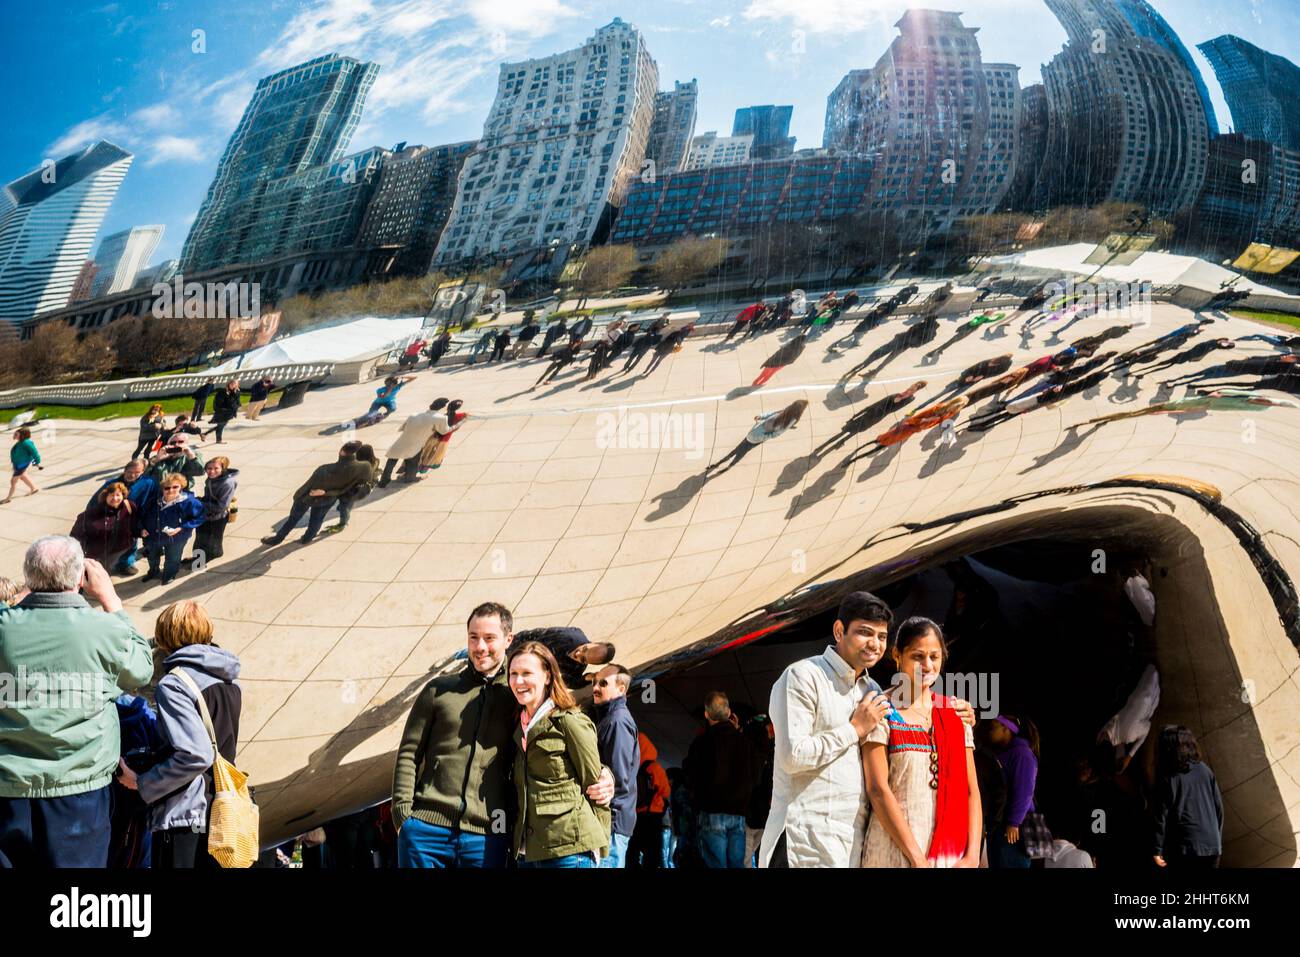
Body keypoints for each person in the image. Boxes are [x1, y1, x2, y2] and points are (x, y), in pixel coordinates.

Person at [761, 593, 976, 868]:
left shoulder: (872, 691)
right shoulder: (803, 676)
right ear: (839, 631)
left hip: (851, 846)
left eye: (882, 636)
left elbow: (913, 704)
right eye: (865, 633)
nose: (874, 644)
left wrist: (960, 714)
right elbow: (793, 757)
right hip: (803, 841)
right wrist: (854, 729)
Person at [0, 536, 153, 867]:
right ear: (81, 578)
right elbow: (140, 670)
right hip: (79, 792)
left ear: (28, 578)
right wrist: (111, 599)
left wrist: (29, 596)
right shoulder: (104, 630)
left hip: (8, 787)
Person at [114, 600, 242, 869]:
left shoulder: (174, 684)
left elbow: (196, 755)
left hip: (184, 814)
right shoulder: (227, 681)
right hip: (220, 812)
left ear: (165, 636)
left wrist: (143, 782)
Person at [861, 617, 981, 868]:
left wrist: (971, 857)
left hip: (950, 857)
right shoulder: (880, 711)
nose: (927, 665)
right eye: (917, 656)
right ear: (897, 655)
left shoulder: (955, 714)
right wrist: (917, 859)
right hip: (893, 852)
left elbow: (971, 791)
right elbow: (877, 789)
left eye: (934, 657)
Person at [508, 640, 611, 868]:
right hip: (529, 851)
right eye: (513, 673)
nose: (518, 681)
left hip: (570, 851)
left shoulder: (570, 721)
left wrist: (601, 846)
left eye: (527, 673)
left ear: (547, 676)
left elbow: (595, 786)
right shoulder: (519, 728)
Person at [685, 692, 753, 868]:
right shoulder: (744, 742)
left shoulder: (701, 742)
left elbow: (689, 776)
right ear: (729, 712)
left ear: (706, 714)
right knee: (737, 865)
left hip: (711, 812)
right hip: (738, 813)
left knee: (715, 865)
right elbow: (754, 774)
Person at [261, 441, 375, 546]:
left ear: (341, 452)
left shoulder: (325, 469)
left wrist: (298, 497)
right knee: (317, 519)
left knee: (293, 519)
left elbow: (307, 487)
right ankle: (307, 538)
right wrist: (328, 493)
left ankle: (278, 539)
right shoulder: (365, 467)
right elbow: (349, 487)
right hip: (329, 499)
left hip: (308, 498)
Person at [1152, 726, 1223, 869]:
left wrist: (1157, 849)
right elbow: (1219, 809)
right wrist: (1216, 840)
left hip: (1186, 848)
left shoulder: (1169, 777)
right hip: (1212, 846)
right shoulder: (1205, 770)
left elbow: (1161, 817)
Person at [591, 665, 639, 868]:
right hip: (612, 821)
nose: (595, 687)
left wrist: (606, 819)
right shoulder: (610, 718)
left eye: (603, 683)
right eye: (594, 681)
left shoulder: (616, 721)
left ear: (621, 689)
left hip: (611, 823)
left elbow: (617, 777)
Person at [812, 383, 927, 460]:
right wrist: (858, 414)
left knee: (850, 435)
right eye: (909, 388)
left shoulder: (908, 399)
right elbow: (875, 404)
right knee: (843, 432)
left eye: (912, 390)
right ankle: (823, 447)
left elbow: (892, 409)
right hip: (869, 414)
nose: (908, 390)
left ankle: (828, 450)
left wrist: (900, 400)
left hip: (873, 419)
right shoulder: (895, 395)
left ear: (915, 392)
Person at [984, 714, 1039, 869]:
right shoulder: (1004, 754)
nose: (989, 731)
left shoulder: (1022, 754)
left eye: (993, 727)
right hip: (999, 824)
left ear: (1006, 729)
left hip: (1012, 828)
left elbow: (1024, 790)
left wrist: (1014, 822)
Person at [89, 459, 158, 575]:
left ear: (142, 472)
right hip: (112, 521)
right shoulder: (111, 484)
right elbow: (95, 502)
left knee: (131, 544)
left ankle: (125, 564)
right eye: (129, 472)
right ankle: (101, 568)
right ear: (124, 470)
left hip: (133, 521)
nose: (132, 475)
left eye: (137, 473)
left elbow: (153, 500)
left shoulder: (148, 483)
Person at [705, 400, 808, 476]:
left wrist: (762, 435)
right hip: (755, 433)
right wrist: (761, 417)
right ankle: (723, 464)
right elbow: (772, 416)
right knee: (737, 451)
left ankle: (725, 465)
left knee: (739, 452)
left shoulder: (790, 418)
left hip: (756, 435)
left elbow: (777, 432)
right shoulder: (787, 413)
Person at [140, 473, 205, 584]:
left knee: (173, 558)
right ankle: (153, 571)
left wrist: (182, 528)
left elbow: (200, 516)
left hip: (177, 537)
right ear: (162, 489)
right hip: (153, 536)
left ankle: (169, 575)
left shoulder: (189, 502)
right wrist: (141, 528)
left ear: (181, 487)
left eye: (175, 487)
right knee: (152, 556)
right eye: (167, 488)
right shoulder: (154, 502)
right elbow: (142, 515)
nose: (171, 490)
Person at [509, 626, 615, 690]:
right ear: (594, 642)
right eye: (585, 649)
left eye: (583, 659)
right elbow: (536, 637)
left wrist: (588, 678)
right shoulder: (570, 635)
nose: (578, 654)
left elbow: (568, 682)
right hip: (516, 647)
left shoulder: (577, 668)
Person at [379, 399, 446, 487]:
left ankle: (383, 481)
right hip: (415, 445)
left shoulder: (413, 415)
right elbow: (444, 431)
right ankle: (409, 478)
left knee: (391, 461)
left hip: (401, 442)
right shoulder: (441, 418)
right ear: (441, 407)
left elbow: (402, 428)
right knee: (412, 462)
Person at [71, 483, 136, 569]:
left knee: (107, 568)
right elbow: (76, 536)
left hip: (118, 550)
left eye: (118, 495)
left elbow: (135, 523)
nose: (115, 498)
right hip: (96, 555)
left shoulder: (129, 506)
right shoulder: (90, 514)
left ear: (123, 496)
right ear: (105, 496)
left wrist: (138, 533)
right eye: (111, 495)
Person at [190, 456, 237, 563]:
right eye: (209, 468)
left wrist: (200, 503)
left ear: (223, 469)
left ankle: (200, 562)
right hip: (207, 513)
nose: (211, 471)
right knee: (201, 539)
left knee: (209, 541)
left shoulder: (227, 483)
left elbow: (221, 506)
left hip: (216, 518)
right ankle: (203, 557)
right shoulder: (212, 479)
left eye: (216, 468)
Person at [743, 715, 775, 867]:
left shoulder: (751, 753)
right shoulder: (769, 755)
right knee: (753, 855)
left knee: (746, 858)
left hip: (750, 813)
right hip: (763, 814)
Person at [328, 444, 378, 533]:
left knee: (345, 506)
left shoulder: (358, 465)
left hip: (353, 489)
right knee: (347, 504)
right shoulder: (375, 461)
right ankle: (343, 513)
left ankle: (343, 523)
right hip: (362, 489)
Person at [417, 399, 466, 474]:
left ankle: (416, 470)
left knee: (425, 455)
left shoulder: (442, 416)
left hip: (433, 438)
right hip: (444, 441)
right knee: (433, 458)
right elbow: (465, 416)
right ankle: (422, 472)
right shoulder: (459, 416)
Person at [3, 427, 42, 504]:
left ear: (22, 435)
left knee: (13, 481)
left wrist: (36, 463)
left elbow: (35, 453)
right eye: (15, 434)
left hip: (22, 464)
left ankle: (8, 498)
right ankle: (33, 488)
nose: (14, 435)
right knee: (23, 477)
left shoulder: (26, 443)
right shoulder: (20, 443)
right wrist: (14, 464)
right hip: (18, 464)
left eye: (16, 434)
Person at [203, 380, 242, 444]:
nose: (233, 385)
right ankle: (207, 435)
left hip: (229, 412)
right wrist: (220, 409)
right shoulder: (223, 391)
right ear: (228, 384)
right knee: (220, 426)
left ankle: (215, 439)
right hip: (222, 411)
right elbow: (218, 402)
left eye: (234, 384)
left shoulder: (236, 392)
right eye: (231, 384)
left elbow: (237, 401)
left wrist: (237, 405)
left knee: (221, 426)